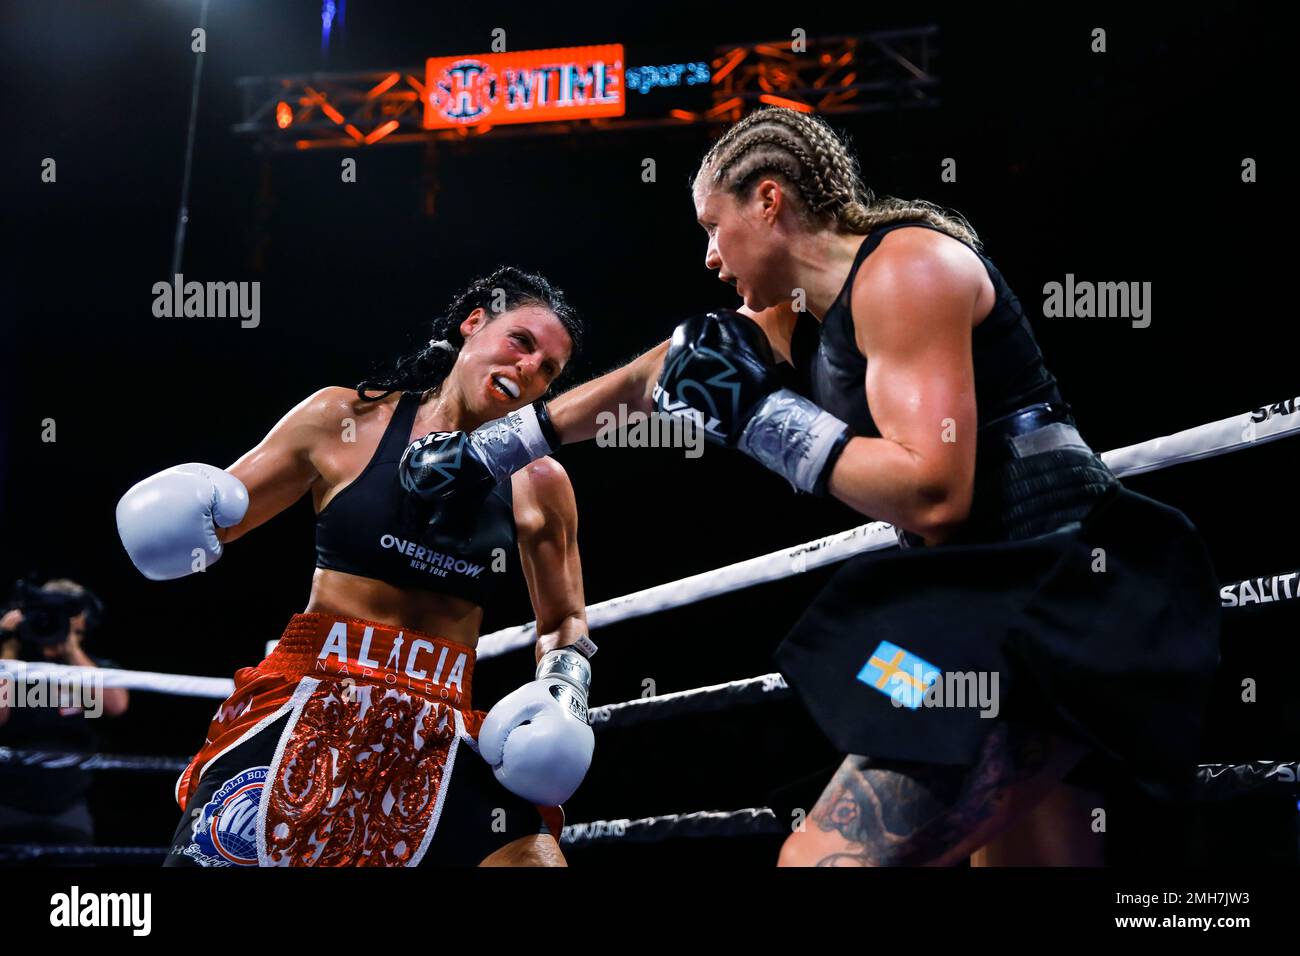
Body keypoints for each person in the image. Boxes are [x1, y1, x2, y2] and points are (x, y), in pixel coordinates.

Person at [399, 108, 1221, 866]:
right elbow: (655, 376)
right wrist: (491, 452)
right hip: (990, 602)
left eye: (713, 229)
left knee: (818, 859)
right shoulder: (803, 312)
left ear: (767, 201)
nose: (710, 257)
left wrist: (757, 413)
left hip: (1061, 578)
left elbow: (936, 492)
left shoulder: (908, 267)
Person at [116, 266, 596, 867]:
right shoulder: (345, 419)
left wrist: (563, 692)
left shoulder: (540, 480)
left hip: (438, 720)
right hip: (307, 694)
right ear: (473, 324)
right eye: (521, 342)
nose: (530, 368)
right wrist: (180, 510)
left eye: (549, 368)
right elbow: (220, 513)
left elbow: (564, 621)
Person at [0, 579, 129, 849]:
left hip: (70, 806)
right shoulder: (13, 663)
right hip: (7, 803)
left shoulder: (91, 667)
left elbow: (116, 705)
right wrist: (8, 647)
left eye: (75, 631)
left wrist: (72, 648)